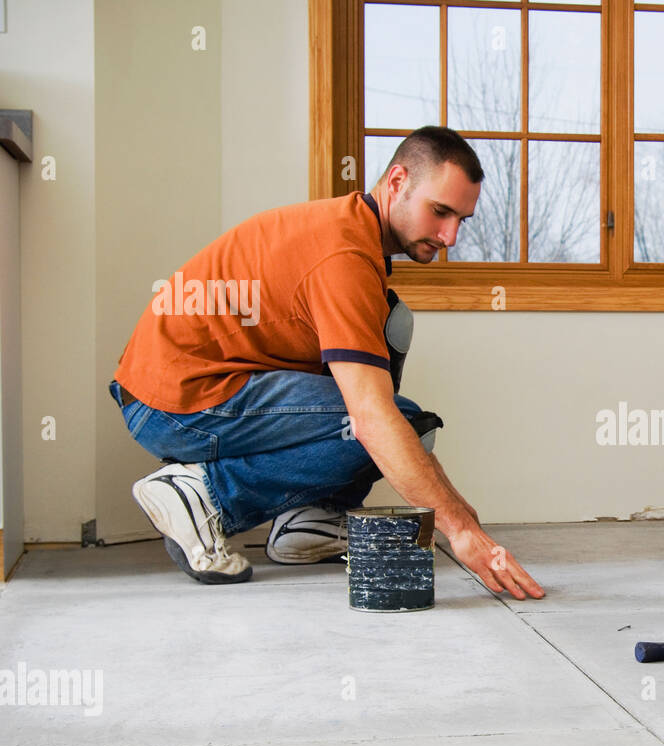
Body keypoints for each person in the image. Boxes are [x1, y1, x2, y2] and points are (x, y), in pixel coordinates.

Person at [109, 126, 544, 600]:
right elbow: (373, 419)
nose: (450, 236)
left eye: (463, 219)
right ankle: (203, 495)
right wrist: (461, 531)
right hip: (176, 400)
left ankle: (309, 522)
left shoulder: (354, 232)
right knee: (395, 423)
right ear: (396, 181)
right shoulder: (344, 256)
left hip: (189, 388)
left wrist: (466, 520)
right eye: (440, 211)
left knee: (391, 345)